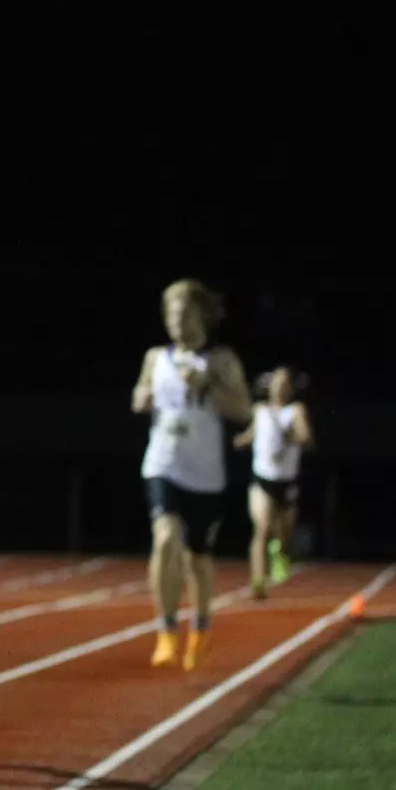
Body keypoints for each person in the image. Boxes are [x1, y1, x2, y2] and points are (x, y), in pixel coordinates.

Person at [131, 279, 252, 671]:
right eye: (169, 314)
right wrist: (143, 398)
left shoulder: (221, 360)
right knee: (165, 538)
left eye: (182, 313)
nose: (174, 321)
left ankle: (200, 627)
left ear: (202, 316)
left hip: (205, 474)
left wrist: (209, 386)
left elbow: (243, 411)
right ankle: (166, 631)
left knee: (197, 558)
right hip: (162, 463)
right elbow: (138, 397)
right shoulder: (156, 357)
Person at [232, 366, 314, 599]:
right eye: (277, 383)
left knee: (284, 532)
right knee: (261, 528)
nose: (280, 388)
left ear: (291, 388)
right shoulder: (260, 411)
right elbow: (251, 434)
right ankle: (258, 580)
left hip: (286, 481)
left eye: (285, 384)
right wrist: (241, 441)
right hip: (262, 478)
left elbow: (306, 437)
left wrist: (292, 436)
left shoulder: (295, 411)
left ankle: (279, 549)